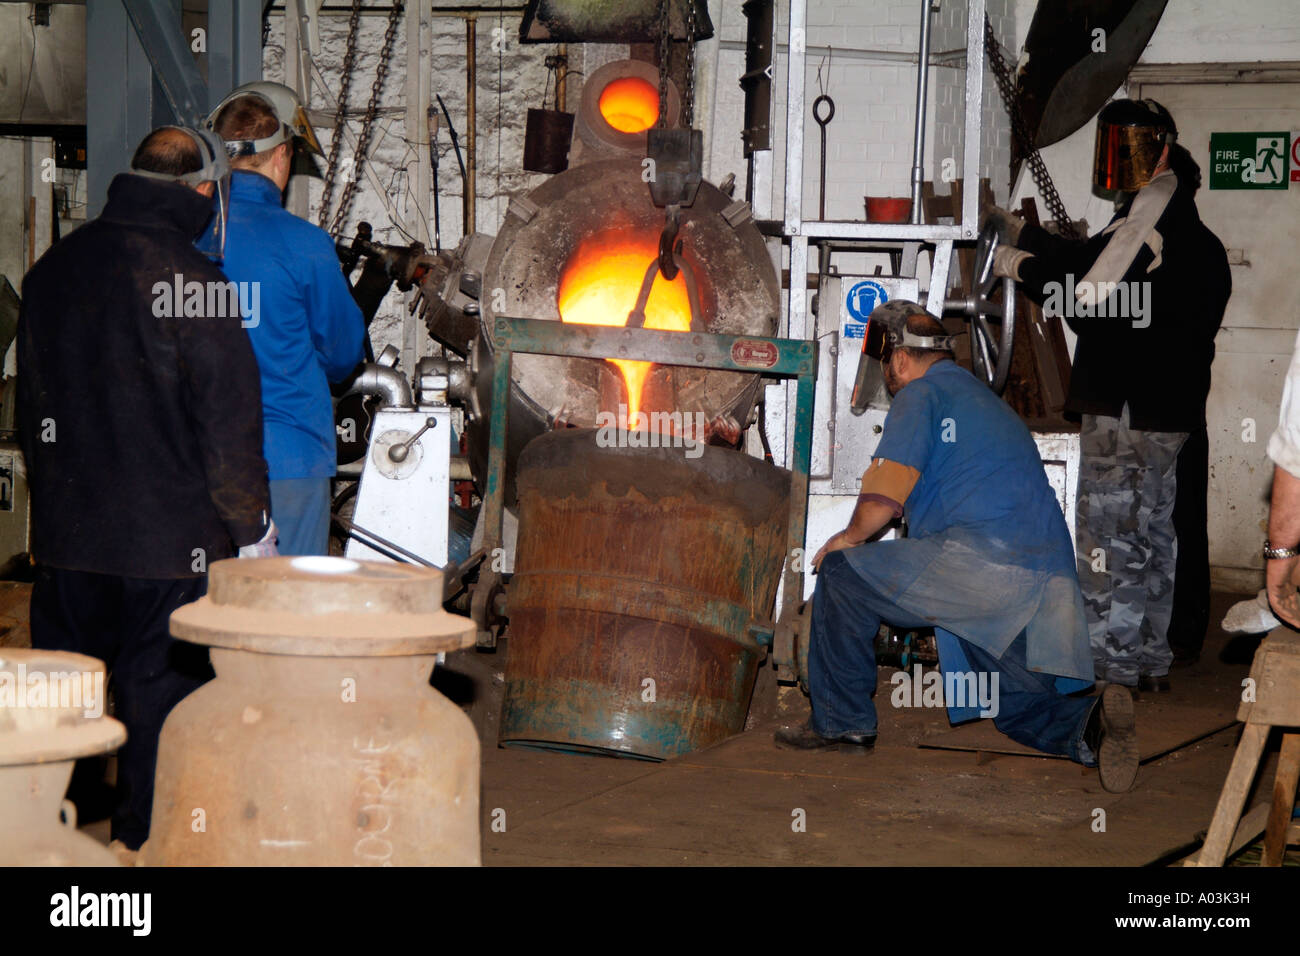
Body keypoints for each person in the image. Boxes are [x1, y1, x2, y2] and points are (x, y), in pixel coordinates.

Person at [18, 126, 274, 859]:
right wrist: (252, 531)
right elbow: (228, 430)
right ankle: (139, 853)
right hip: (170, 551)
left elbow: (34, 416)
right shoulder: (197, 284)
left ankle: (39, 842)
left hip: (69, 545)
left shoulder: (51, 270)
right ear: (201, 194)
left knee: (61, 713)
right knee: (156, 714)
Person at [775, 301, 1141, 794]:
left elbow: (883, 499)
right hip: (1049, 581)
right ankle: (1093, 729)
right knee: (1015, 706)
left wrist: (847, 538)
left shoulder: (920, 395)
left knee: (843, 574)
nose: (888, 379)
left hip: (978, 568)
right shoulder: (989, 402)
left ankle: (842, 722)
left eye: (886, 368)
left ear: (900, 360)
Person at [984, 98, 1231, 693]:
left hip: (1127, 413)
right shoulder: (1192, 239)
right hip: (1169, 417)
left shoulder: (1147, 226)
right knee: (1152, 534)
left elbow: (1085, 295)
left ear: (1163, 150)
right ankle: (1148, 659)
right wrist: (1028, 234)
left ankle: (1107, 665)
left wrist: (1016, 266)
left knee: (1108, 537)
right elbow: (1091, 261)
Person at [210, 81, 366, 556]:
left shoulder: (185, 237)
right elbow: (343, 355)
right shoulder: (306, 245)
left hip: (196, 461)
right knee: (288, 613)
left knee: (206, 612)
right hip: (288, 459)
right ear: (282, 157)